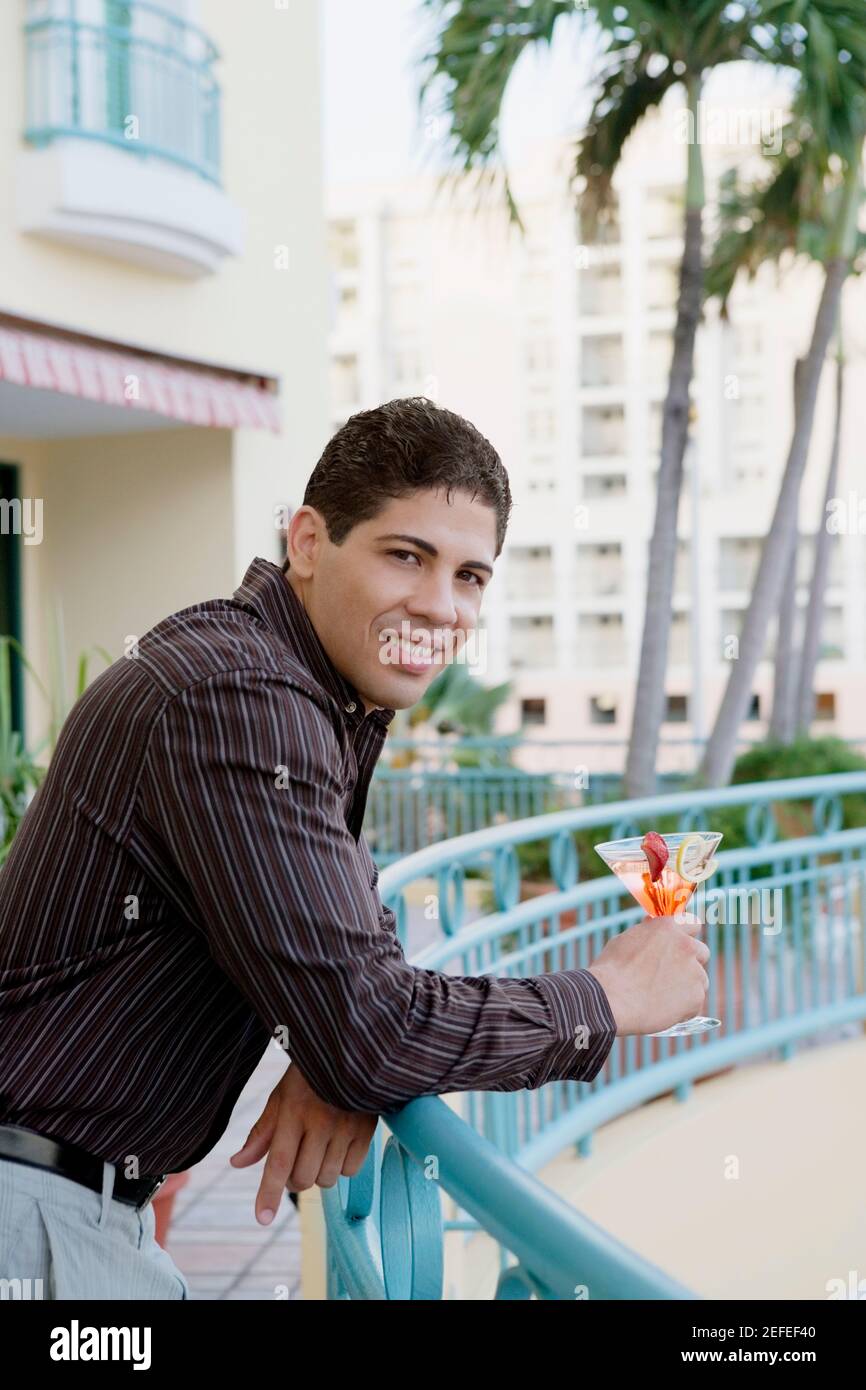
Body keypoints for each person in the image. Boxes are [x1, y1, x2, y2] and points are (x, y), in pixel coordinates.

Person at [0, 397, 709, 1299]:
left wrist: (329, 1050)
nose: (441, 606)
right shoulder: (240, 700)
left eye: (470, 576)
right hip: (35, 1222)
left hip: (71, 1208)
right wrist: (606, 996)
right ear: (307, 542)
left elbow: (352, 982)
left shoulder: (292, 691)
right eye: (405, 555)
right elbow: (371, 1028)